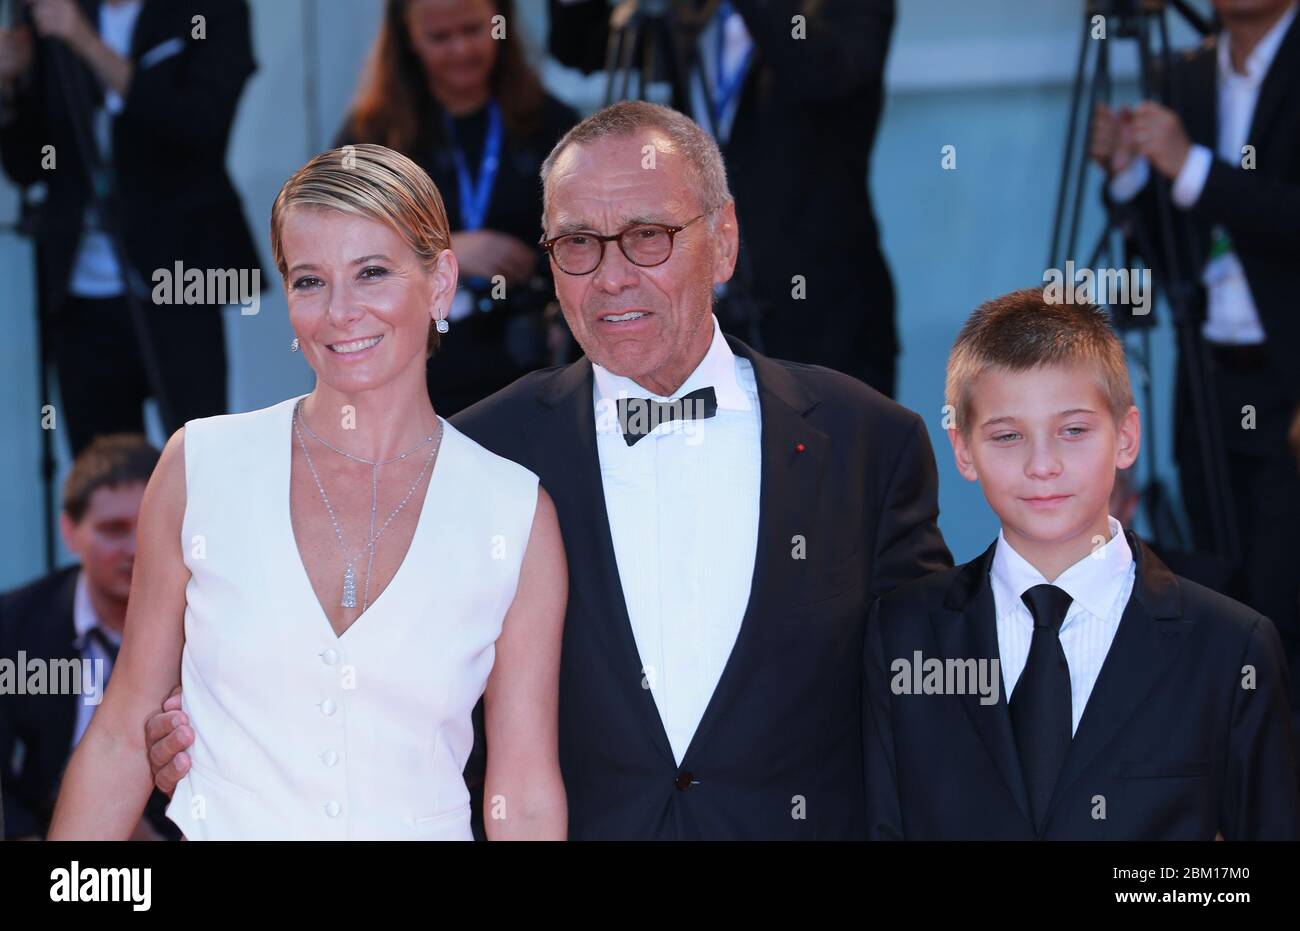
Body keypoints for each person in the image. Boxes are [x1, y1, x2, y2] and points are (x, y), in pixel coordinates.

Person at [147, 101, 950, 840]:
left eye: (647, 235)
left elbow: (933, 710)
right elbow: (389, 704)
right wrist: (219, 739)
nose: (610, 276)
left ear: (725, 240)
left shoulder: (865, 443)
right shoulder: (478, 457)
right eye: (576, 244)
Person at [46, 144, 568, 840]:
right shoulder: (200, 465)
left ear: (441, 282)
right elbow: (121, 730)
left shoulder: (513, 512)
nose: (340, 312)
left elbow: (525, 790)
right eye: (310, 281)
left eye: (372, 272)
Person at [864, 288, 1299, 840]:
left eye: (1073, 430)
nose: (1042, 464)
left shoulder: (1229, 646)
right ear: (963, 450)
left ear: (1126, 436)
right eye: (1007, 435)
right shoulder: (903, 633)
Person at [1090, 0, 1300, 725]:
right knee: (1219, 593)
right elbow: (1163, 252)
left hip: (1290, 385)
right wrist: (1128, 176)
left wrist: (1193, 168)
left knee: (1284, 605)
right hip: (1209, 383)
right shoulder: (1181, 77)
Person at [548, 0, 899, 396]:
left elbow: (824, 71)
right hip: (697, 304)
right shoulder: (681, 11)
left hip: (817, 308)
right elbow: (576, 47)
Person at [0, 0, 263, 455]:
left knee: (200, 459)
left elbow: (199, 127)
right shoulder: (56, 13)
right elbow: (28, 166)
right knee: (101, 470)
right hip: (80, 293)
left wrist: (85, 43)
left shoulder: (208, 11)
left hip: (180, 278)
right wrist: (12, 85)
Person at [337, 0, 580, 414]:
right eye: (440, 37)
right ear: (408, 38)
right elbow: (335, 246)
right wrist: (446, 251)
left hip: (527, 363)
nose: (460, 50)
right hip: (411, 366)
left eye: (472, 30)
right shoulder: (373, 133)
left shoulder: (547, 121)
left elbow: (585, 235)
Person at [0, 434, 177, 840]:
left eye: (148, 526)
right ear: (69, 531)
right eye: (113, 530)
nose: (135, 548)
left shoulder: (206, 625)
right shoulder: (12, 625)